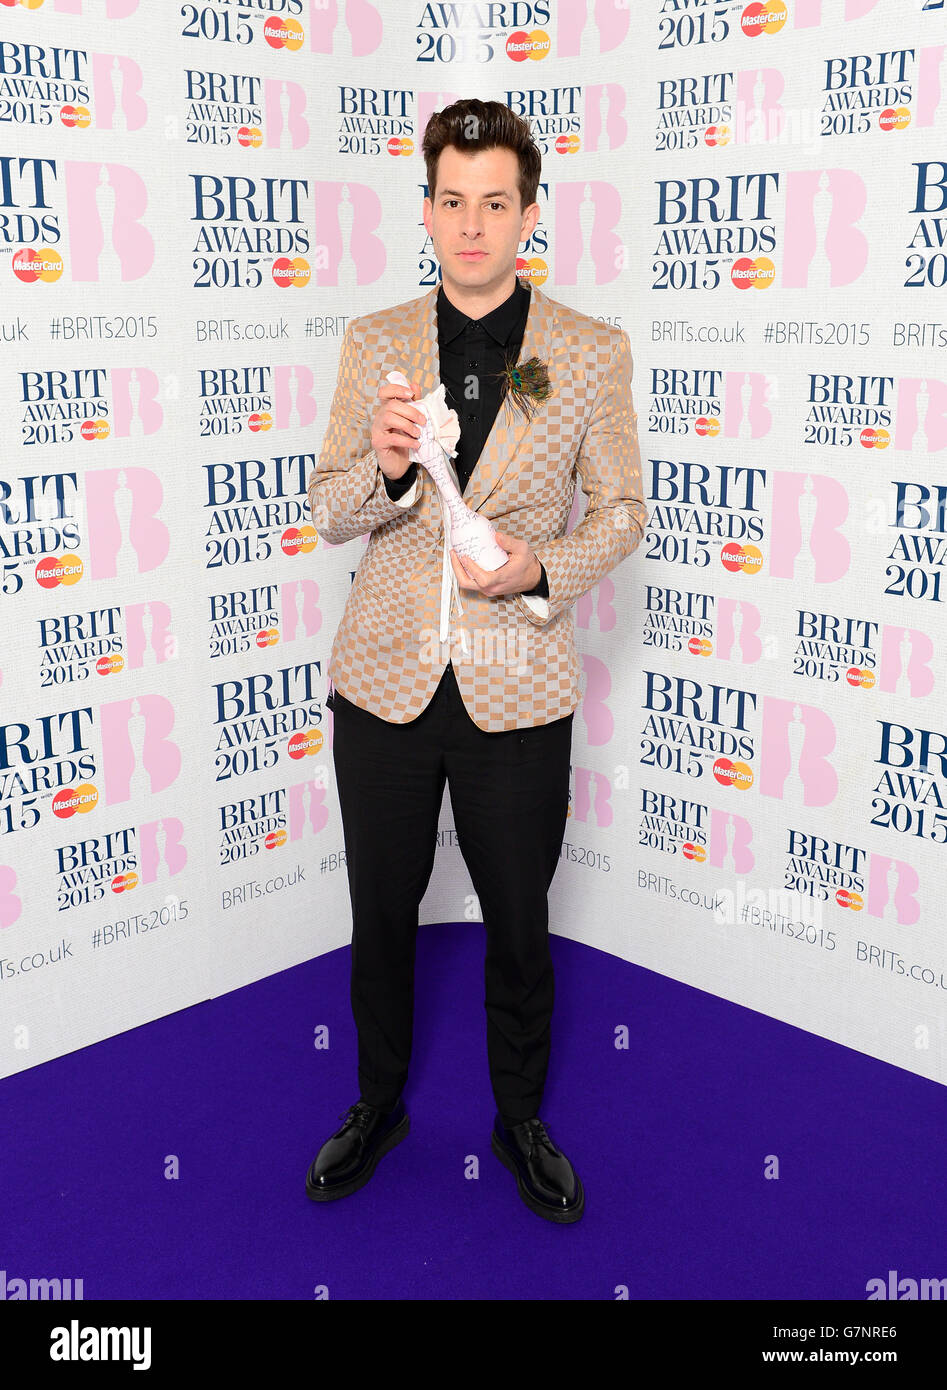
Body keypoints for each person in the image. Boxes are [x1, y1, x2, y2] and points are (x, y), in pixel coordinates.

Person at [304, 99, 648, 1224]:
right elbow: (328, 510)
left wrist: (536, 569)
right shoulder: (374, 342)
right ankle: (376, 1104)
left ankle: (520, 1120)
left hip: (519, 687)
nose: (470, 226)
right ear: (427, 210)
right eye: (450, 202)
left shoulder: (587, 351)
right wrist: (390, 473)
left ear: (527, 213)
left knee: (516, 920)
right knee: (380, 916)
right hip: (385, 687)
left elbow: (624, 511)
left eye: (492, 203)